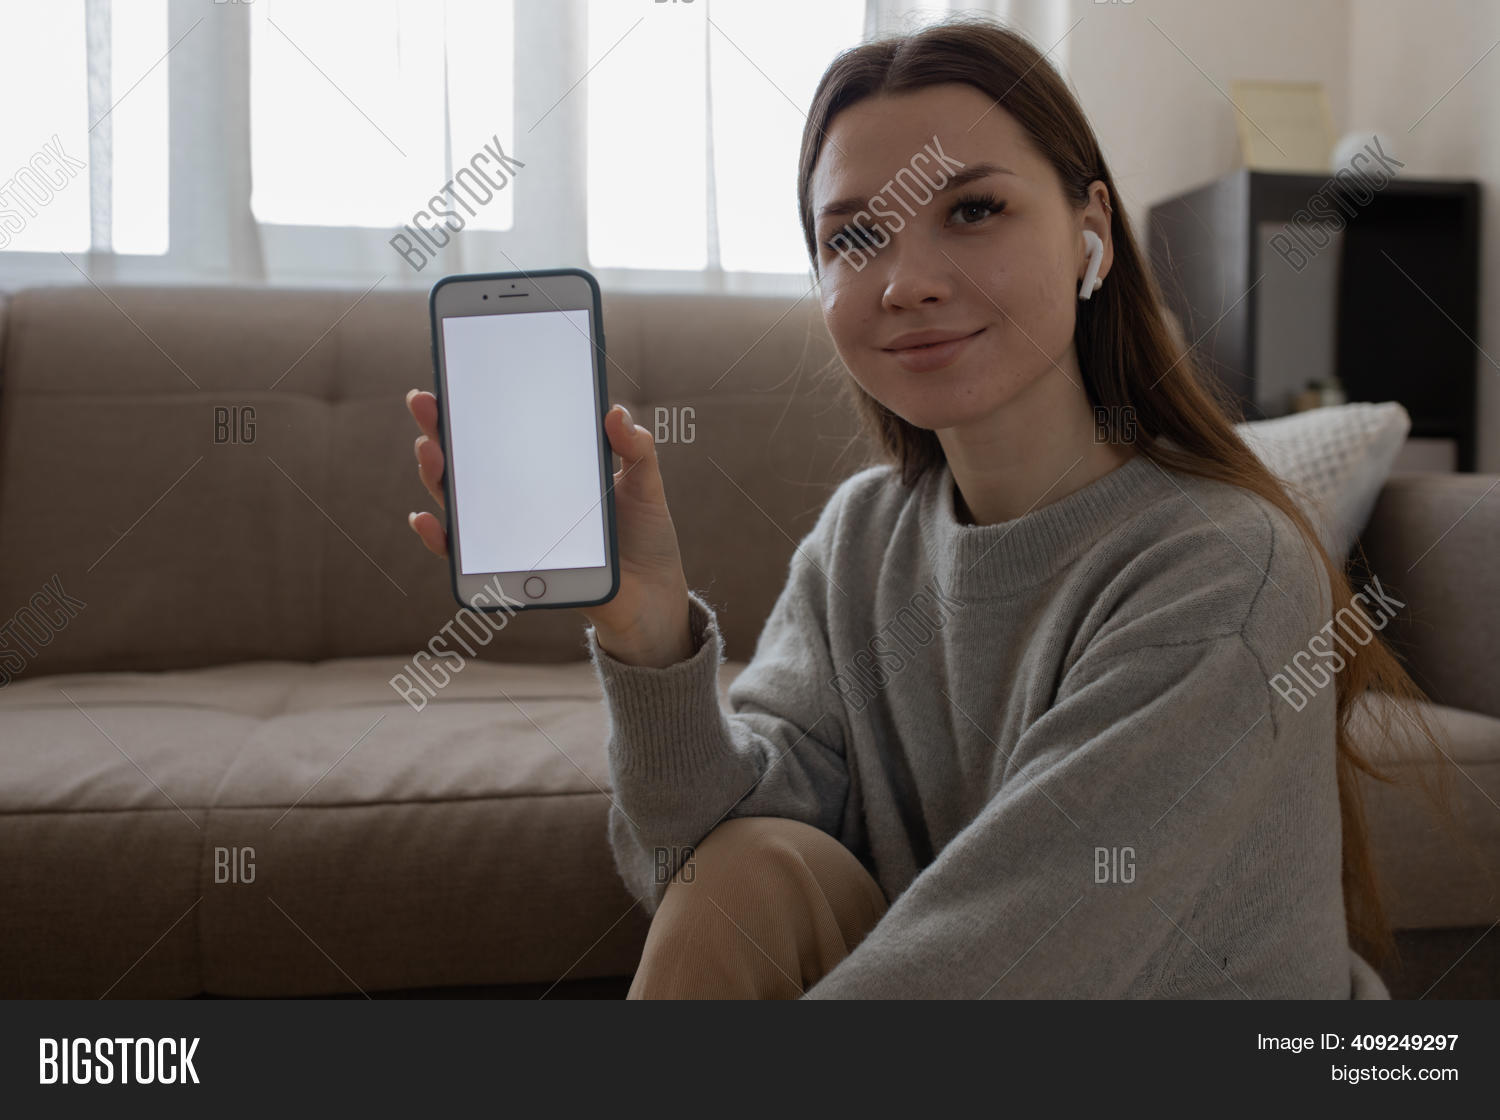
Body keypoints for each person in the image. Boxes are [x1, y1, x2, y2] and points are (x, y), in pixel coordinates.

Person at [405, 16, 1445, 999]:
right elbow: (686, 858)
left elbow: (1000, 973)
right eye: (854, 239)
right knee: (747, 867)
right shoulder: (863, 537)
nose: (904, 282)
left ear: (1091, 235)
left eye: (974, 210)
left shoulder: (1223, 567)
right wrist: (648, 635)